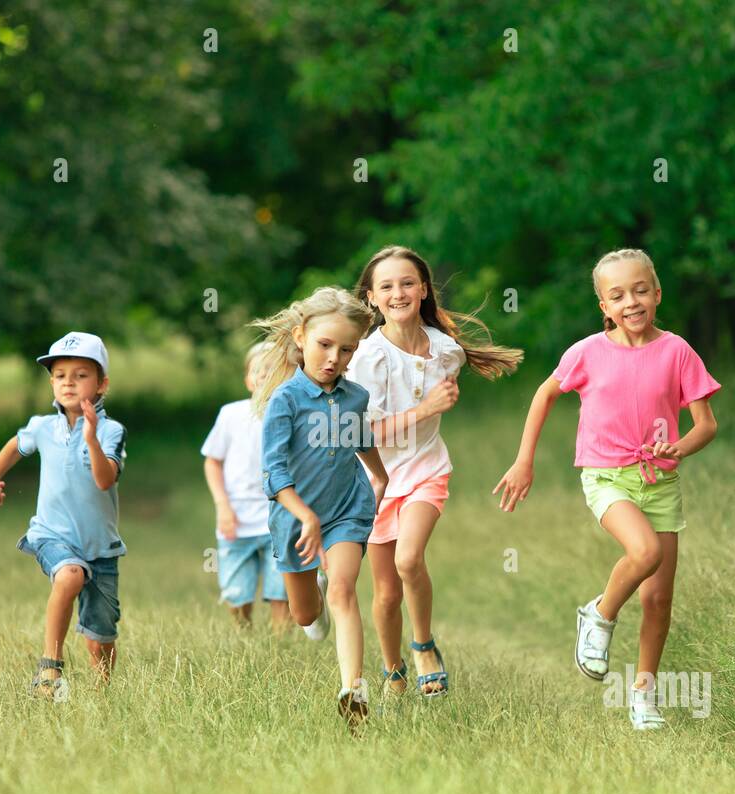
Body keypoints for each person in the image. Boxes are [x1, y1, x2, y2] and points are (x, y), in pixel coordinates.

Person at [494, 249, 720, 729]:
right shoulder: (587, 353)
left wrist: (678, 448)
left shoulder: (677, 350)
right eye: (617, 295)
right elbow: (545, 394)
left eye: (640, 290)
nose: (631, 301)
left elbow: (705, 425)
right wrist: (524, 460)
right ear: (604, 306)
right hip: (606, 475)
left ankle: (643, 696)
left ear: (657, 294)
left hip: (659, 480)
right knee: (644, 553)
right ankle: (599, 613)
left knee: (658, 599)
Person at [347, 245, 522, 699]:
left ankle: (423, 645)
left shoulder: (446, 350)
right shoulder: (367, 358)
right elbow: (361, 433)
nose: (398, 292)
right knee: (385, 594)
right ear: (371, 297)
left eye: (408, 283)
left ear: (424, 289)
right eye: (386, 286)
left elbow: (433, 385)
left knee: (409, 560)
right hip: (375, 480)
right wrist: (425, 408)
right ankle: (393, 673)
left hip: (426, 470)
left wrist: (428, 406)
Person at [253, 287, 389, 727]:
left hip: (347, 508)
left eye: (346, 349)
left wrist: (380, 474)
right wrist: (305, 515)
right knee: (305, 612)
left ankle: (354, 690)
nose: (334, 357)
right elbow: (273, 473)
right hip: (294, 520)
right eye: (324, 345)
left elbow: (359, 438)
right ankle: (313, 607)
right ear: (300, 338)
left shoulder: (355, 397)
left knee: (344, 589)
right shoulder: (285, 402)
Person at [0, 332, 127, 700]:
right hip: (52, 535)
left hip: (101, 546)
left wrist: (91, 438)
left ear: (101, 384)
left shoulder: (111, 431)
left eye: (80, 375)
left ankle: (103, 697)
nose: (68, 382)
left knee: (100, 639)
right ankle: (50, 668)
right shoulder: (42, 427)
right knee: (69, 575)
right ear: (51, 382)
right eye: (60, 375)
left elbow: (103, 478)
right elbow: (16, 446)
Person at [201, 342, 291, 631]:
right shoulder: (231, 415)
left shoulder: (292, 417)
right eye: (259, 371)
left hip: (279, 515)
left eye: (274, 371)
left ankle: (282, 644)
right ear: (248, 379)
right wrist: (222, 505)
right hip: (236, 518)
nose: (266, 376)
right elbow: (212, 461)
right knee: (236, 591)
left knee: (282, 589)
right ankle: (243, 634)